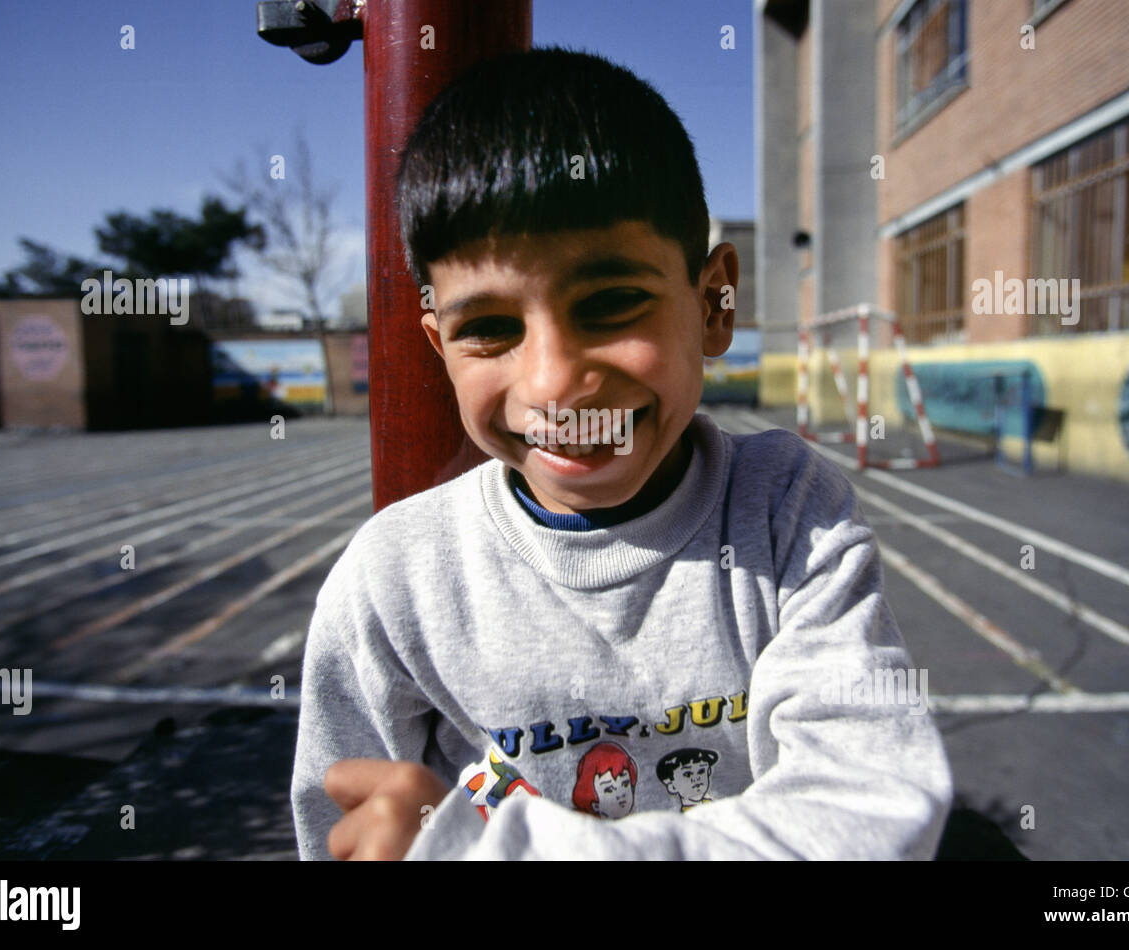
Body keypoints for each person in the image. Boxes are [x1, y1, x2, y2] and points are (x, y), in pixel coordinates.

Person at [291, 45, 952, 860]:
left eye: (611, 303)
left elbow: (870, 810)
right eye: (489, 329)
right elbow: (342, 829)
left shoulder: (787, 515)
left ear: (715, 303)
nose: (555, 382)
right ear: (438, 346)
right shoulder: (392, 578)